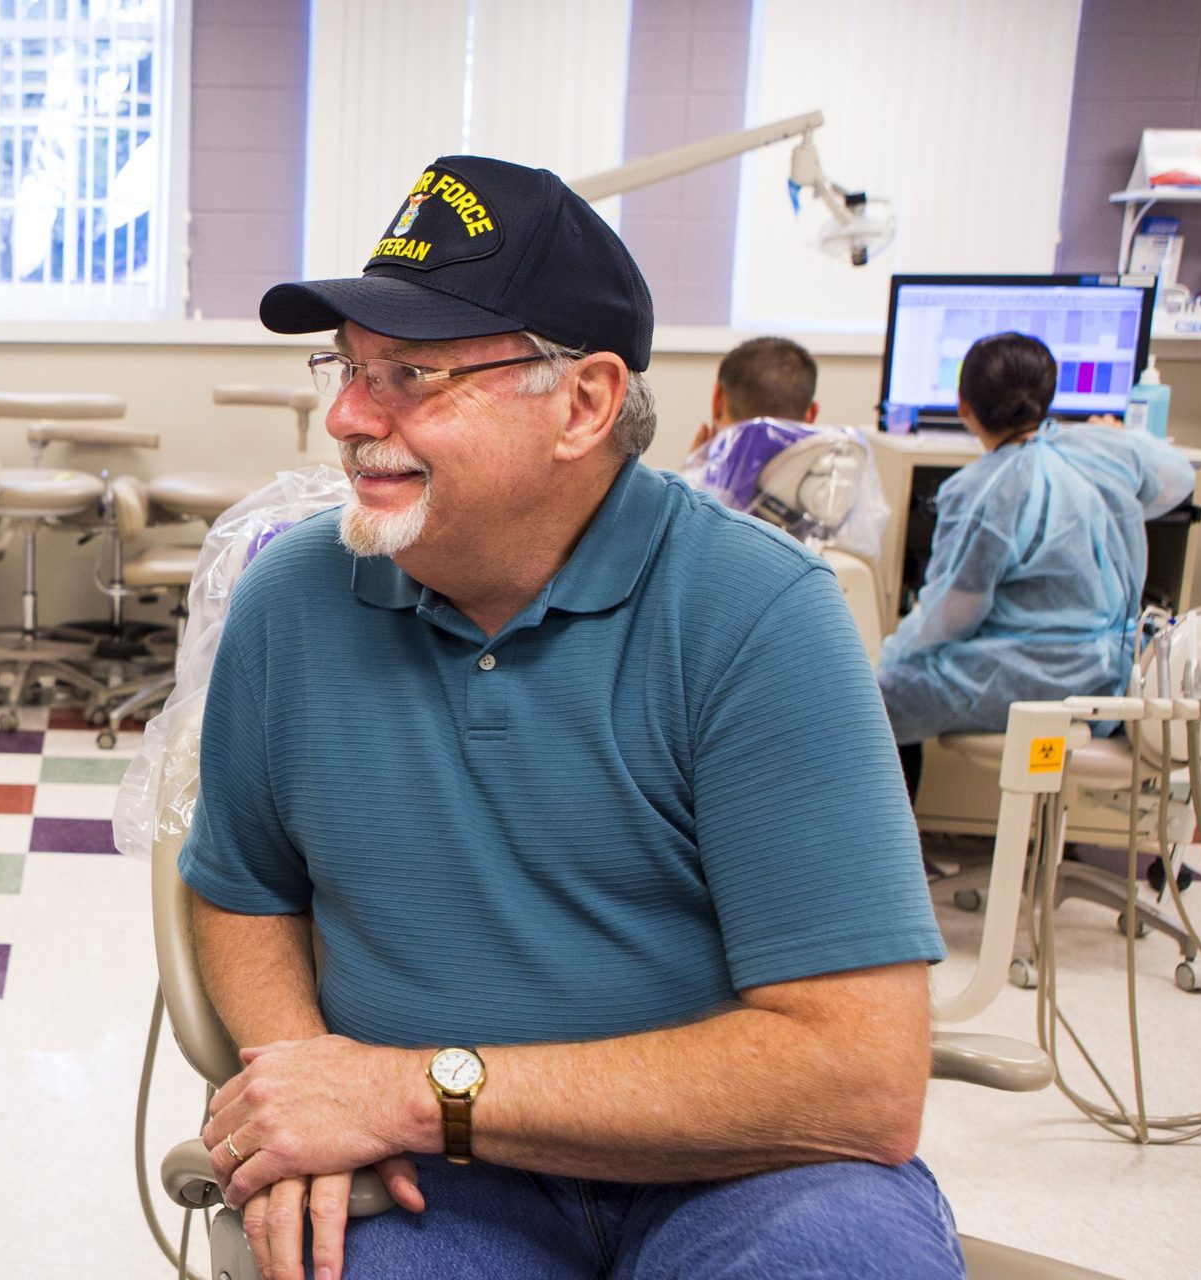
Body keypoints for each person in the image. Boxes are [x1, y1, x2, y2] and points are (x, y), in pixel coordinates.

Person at [178, 156, 957, 1280]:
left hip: (744, 1172)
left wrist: (412, 1087)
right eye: (347, 366)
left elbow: (861, 1081)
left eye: (411, 373)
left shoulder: (757, 616)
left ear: (582, 404)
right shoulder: (293, 600)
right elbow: (241, 886)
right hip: (426, 1184)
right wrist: (299, 1069)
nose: (348, 415)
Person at [878, 332, 1197, 783]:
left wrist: (888, 654)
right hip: (1114, 674)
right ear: (1048, 396)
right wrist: (1123, 439)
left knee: (869, 700)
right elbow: (1178, 478)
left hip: (1029, 679)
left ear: (962, 404)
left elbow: (950, 616)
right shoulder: (1105, 452)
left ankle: (890, 846)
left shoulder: (981, 490)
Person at [688, 334, 820, 454]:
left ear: (718, 402)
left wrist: (691, 472)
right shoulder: (835, 474)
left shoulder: (694, 478)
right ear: (811, 414)